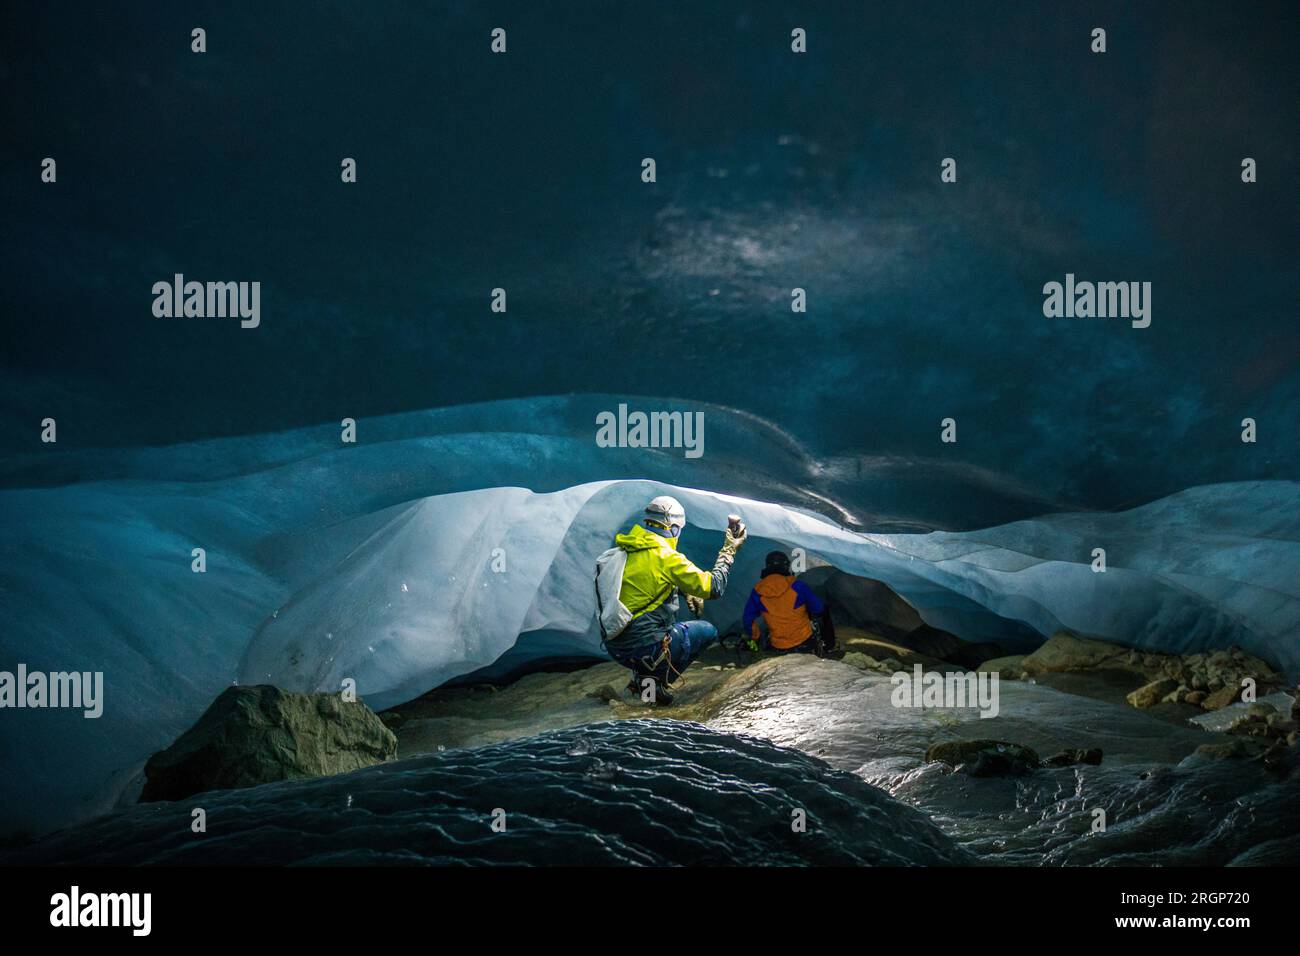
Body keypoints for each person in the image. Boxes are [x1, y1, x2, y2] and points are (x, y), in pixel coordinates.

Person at [603, 495, 746, 705]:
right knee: (707, 631)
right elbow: (714, 587)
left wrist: (684, 591)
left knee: (648, 629)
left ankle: (644, 679)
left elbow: (644, 586)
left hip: (615, 648)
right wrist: (729, 549)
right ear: (674, 529)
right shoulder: (667, 557)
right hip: (646, 649)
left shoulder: (620, 552)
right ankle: (654, 682)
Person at [741, 550, 832, 656]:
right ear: (786, 566)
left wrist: (755, 637)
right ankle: (829, 647)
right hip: (804, 641)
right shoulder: (797, 586)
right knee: (823, 610)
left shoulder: (758, 591)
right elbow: (818, 608)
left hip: (778, 645)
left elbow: (747, 619)